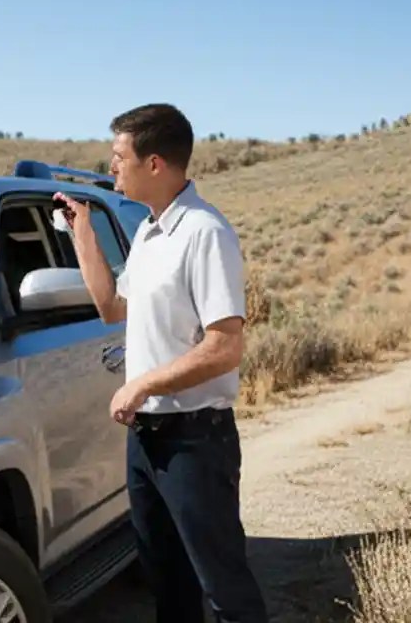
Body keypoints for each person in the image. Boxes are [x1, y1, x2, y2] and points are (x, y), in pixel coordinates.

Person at [54, 103, 269, 623]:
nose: (112, 169)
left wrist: (141, 384)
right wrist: (82, 232)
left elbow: (225, 346)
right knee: (167, 584)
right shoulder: (150, 235)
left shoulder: (204, 233)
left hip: (195, 440)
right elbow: (112, 307)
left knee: (223, 586)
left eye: (118, 158)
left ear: (154, 163)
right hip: (147, 443)